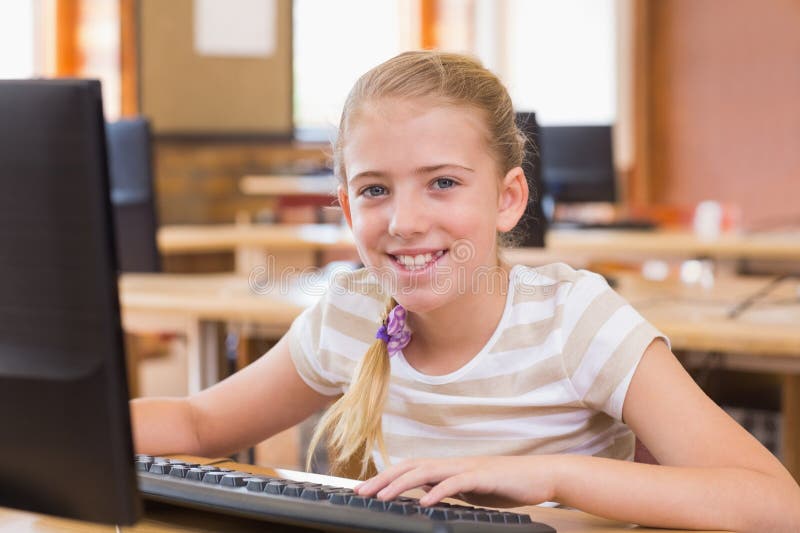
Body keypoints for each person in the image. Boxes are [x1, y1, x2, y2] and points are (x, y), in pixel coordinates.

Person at [131, 51, 800, 531]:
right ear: (343, 204)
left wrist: (555, 476)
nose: (405, 221)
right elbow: (197, 422)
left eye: (443, 182)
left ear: (508, 198)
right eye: (374, 189)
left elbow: (775, 505)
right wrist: (45, 421)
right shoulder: (351, 312)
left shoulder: (576, 320)